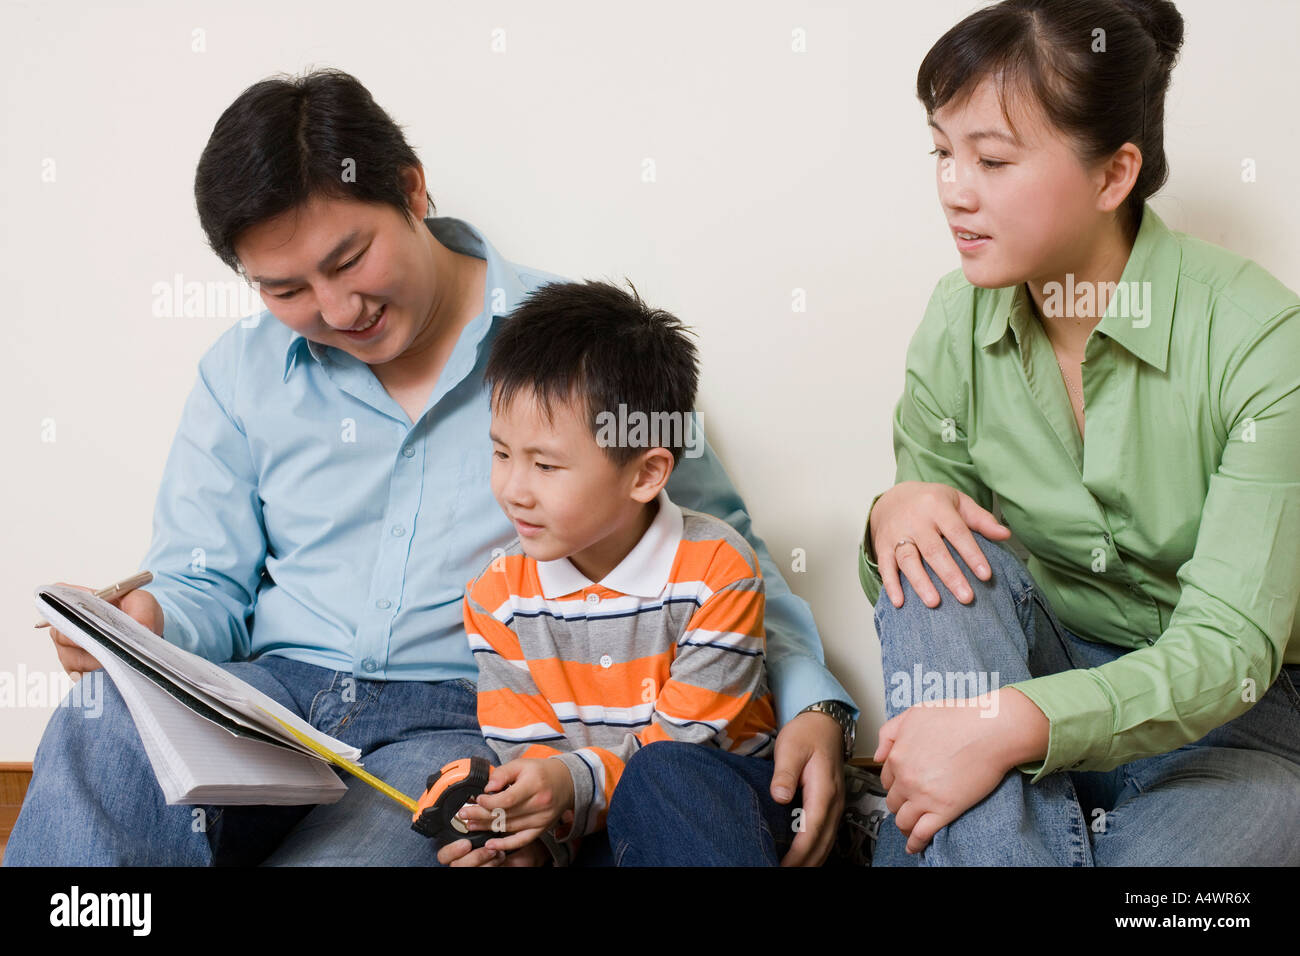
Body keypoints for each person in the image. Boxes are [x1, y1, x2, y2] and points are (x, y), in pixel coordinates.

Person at [6, 68, 856, 867]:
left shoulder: (578, 348)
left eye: (348, 260)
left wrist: (814, 701)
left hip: (460, 719)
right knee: (98, 720)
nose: (338, 311)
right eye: (286, 289)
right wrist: (149, 618)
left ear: (412, 189)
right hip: (273, 702)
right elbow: (207, 587)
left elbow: (715, 554)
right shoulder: (239, 374)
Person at [860, 0, 1300, 865]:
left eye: (990, 158)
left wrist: (1010, 726)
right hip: (1038, 668)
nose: (954, 188)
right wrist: (895, 509)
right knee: (924, 551)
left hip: (1240, 731)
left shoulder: (1262, 342)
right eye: (942, 152)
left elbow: (1227, 648)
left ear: (1113, 176)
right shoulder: (958, 320)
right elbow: (945, 602)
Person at [440, 279, 786, 867]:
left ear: (646, 474)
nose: (512, 490)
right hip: (595, 832)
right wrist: (528, 839)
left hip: (718, 811)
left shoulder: (717, 573)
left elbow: (685, 747)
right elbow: (539, 769)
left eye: (545, 464)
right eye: (501, 454)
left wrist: (564, 786)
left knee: (662, 775)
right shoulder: (496, 597)